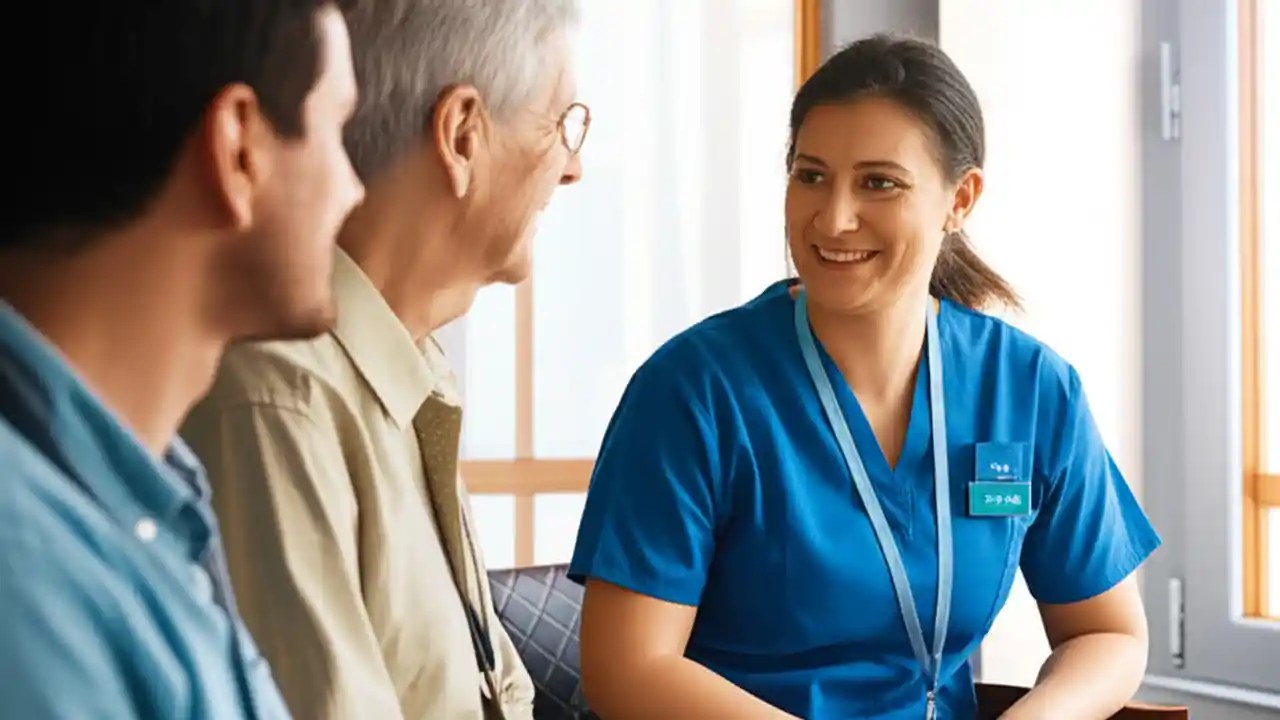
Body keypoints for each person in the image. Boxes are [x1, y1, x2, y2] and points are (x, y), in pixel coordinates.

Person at [568, 34, 1161, 720]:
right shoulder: (694, 391)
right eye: (810, 175)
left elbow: (1107, 631)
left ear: (959, 199)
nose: (833, 216)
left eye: (878, 182)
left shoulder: (1028, 389)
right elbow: (628, 669)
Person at [179, 1, 586, 718]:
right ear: (462, 134)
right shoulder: (281, 397)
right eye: (562, 123)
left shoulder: (411, 368)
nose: (573, 167)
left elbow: (496, 689)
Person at [0, 2, 364, 718]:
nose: (353, 188)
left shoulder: (154, 494)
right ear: (238, 149)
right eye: (338, 129)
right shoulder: (28, 586)